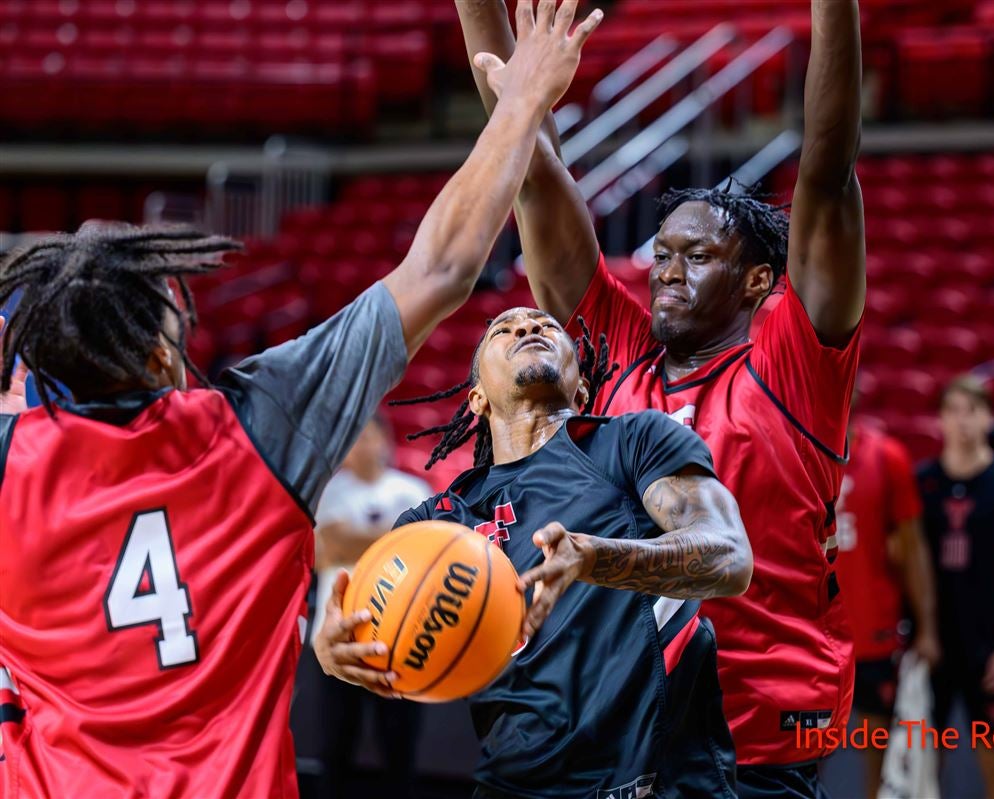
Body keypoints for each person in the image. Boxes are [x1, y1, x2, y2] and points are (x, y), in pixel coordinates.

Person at [0, 4, 602, 795]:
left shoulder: (10, 461)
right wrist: (522, 100)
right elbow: (442, 268)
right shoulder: (257, 421)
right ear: (157, 354)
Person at [456, 2, 865, 793]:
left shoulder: (794, 363)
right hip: (619, 737)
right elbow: (532, 172)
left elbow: (826, 168)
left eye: (697, 255)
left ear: (758, 280)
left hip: (756, 739)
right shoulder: (614, 350)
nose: (669, 270)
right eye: (663, 253)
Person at [316, 307, 753, 799]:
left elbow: (730, 556)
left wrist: (594, 558)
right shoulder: (435, 526)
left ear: (581, 389)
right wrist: (336, 655)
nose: (527, 327)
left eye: (547, 326)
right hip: (515, 782)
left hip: (653, 778)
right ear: (477, 398)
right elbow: (376, 639)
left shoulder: (631, 442)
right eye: (502, 330)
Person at [918, 375, 994, 799]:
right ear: (940, 419)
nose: (962, 420)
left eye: (972, 410)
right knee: (921, 763)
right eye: (952, 410)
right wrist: (921, 633)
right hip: (933, 646)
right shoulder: (924, 482)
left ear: (989, 418)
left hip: (989, 646)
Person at [300, 415, 431, 798]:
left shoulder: (413, 490)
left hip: (402, 636)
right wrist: (392, 540)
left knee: (400, 749)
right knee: (334, 746)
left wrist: (348, 542)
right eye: (353, 440)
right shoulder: (327, 492)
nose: (359, 447)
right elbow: (324, 553)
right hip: (338, 638)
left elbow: (427, 553)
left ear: (385, 441)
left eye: (367, 437)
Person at [835, 419, 940, 799]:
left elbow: (913, 549)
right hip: (813, 639)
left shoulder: (886, 456)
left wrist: (927, 629)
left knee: (879, 766)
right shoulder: (797, 451)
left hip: (874, 635)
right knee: (801, 759)